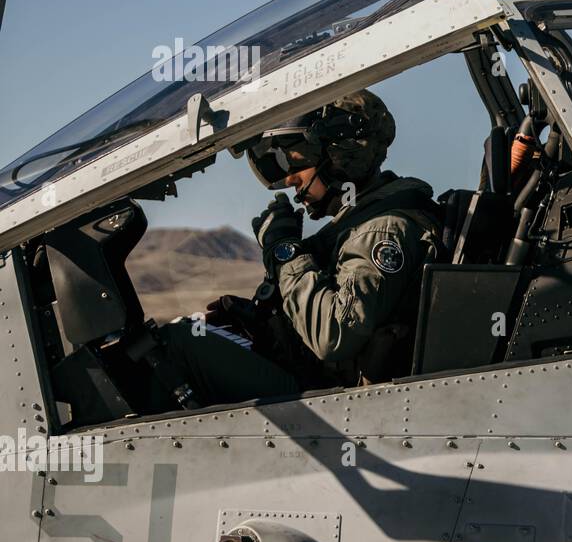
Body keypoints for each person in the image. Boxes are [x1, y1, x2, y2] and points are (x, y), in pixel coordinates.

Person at [150, 89, 443, 409]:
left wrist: (285, 251)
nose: (289, 179)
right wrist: (265, 321)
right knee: (185, 337)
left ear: (338, 154)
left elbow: (334, 335)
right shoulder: (360, 225)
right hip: (319, 383)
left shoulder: (383, 230)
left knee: (176, 346)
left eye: (294, 161)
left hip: (337, 400)